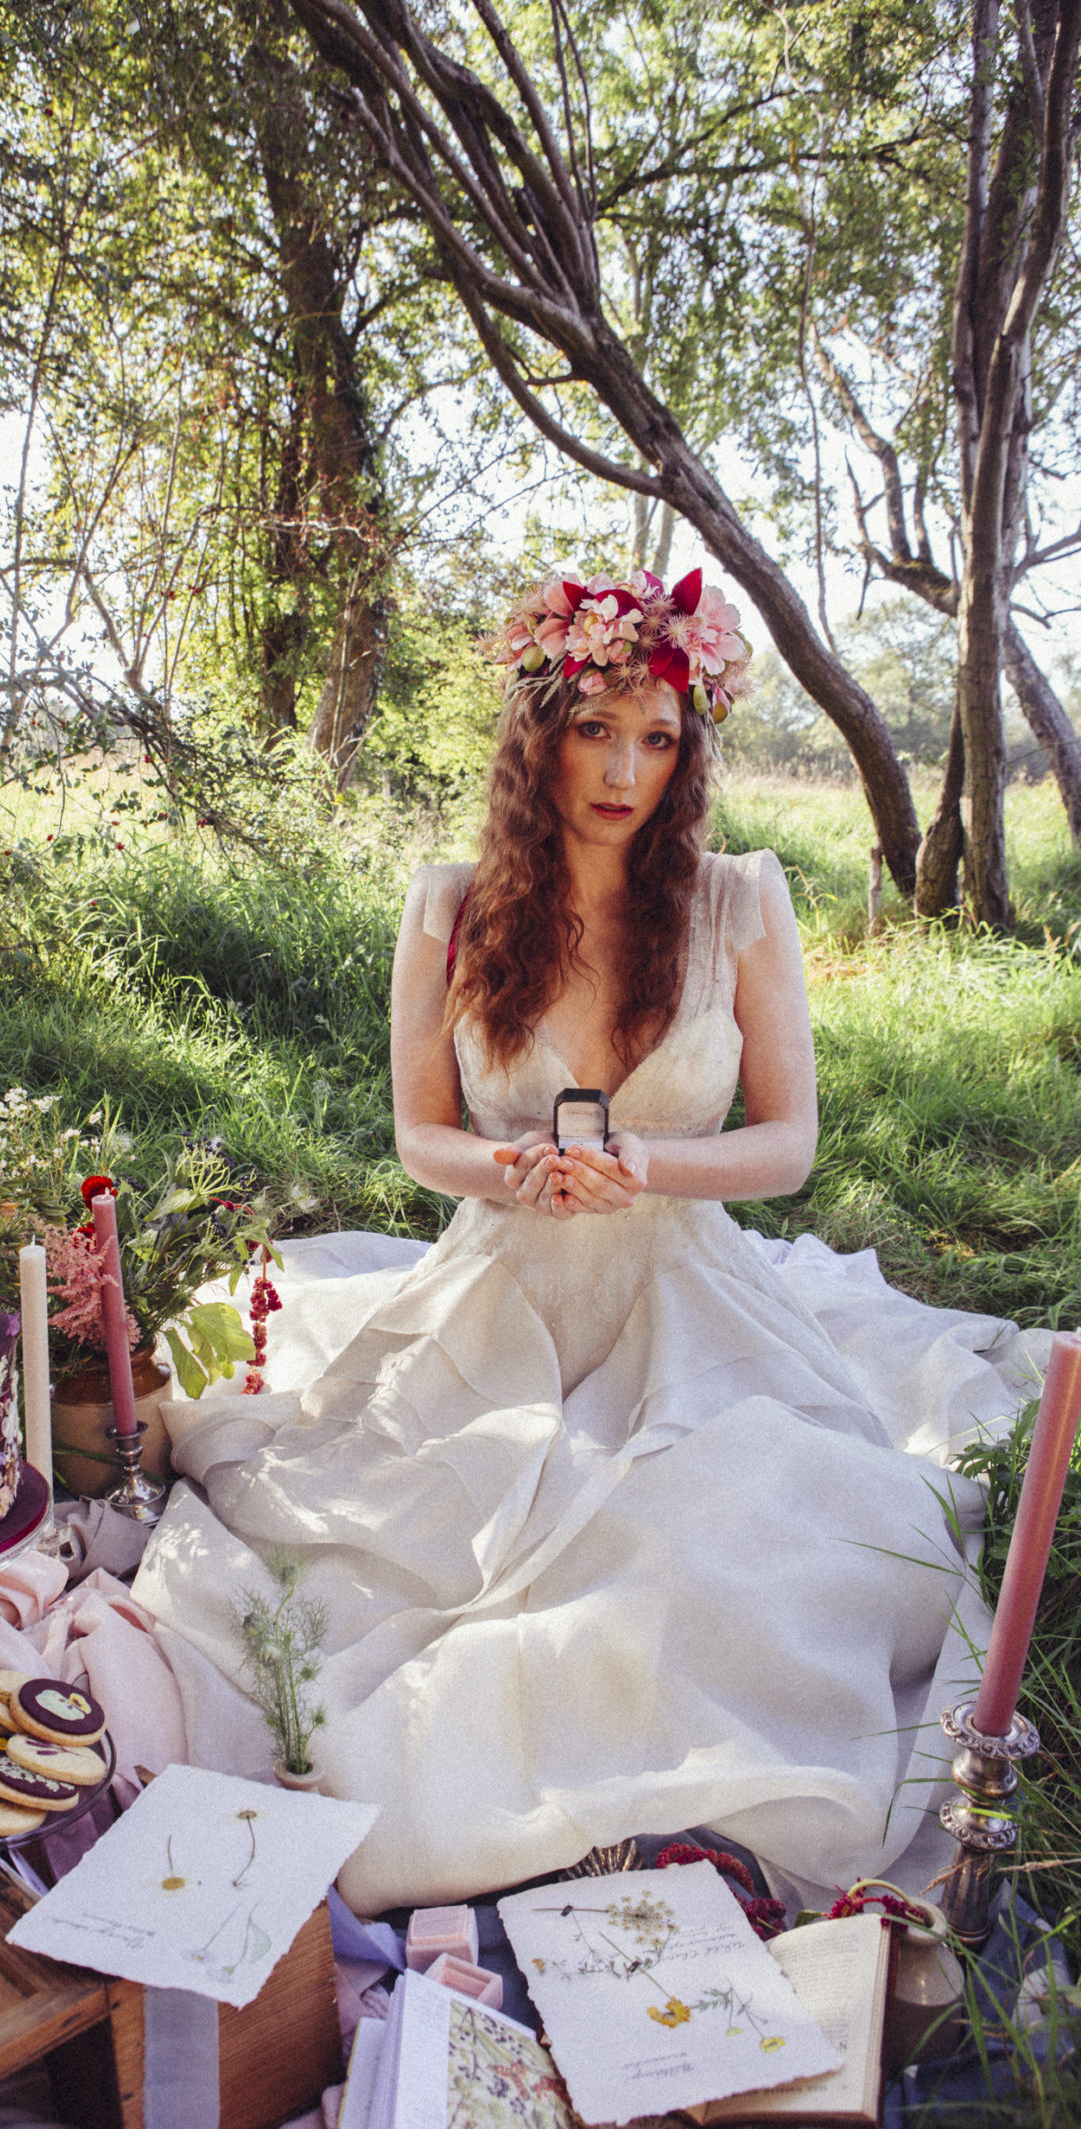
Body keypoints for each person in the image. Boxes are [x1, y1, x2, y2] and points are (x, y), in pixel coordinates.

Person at [132, 566, 1039, 1919]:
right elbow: (419, 1138)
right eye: (597, 729)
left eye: (659, 738)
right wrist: (514, 1170)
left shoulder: (738, 901)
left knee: (741, 1543)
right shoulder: (452, 902)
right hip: (499, 1286)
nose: (626, 770)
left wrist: (644, 1167)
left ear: (691, 751)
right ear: (539, 731)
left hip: (688, 1291)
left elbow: (788, 1145)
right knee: (372, 1544)